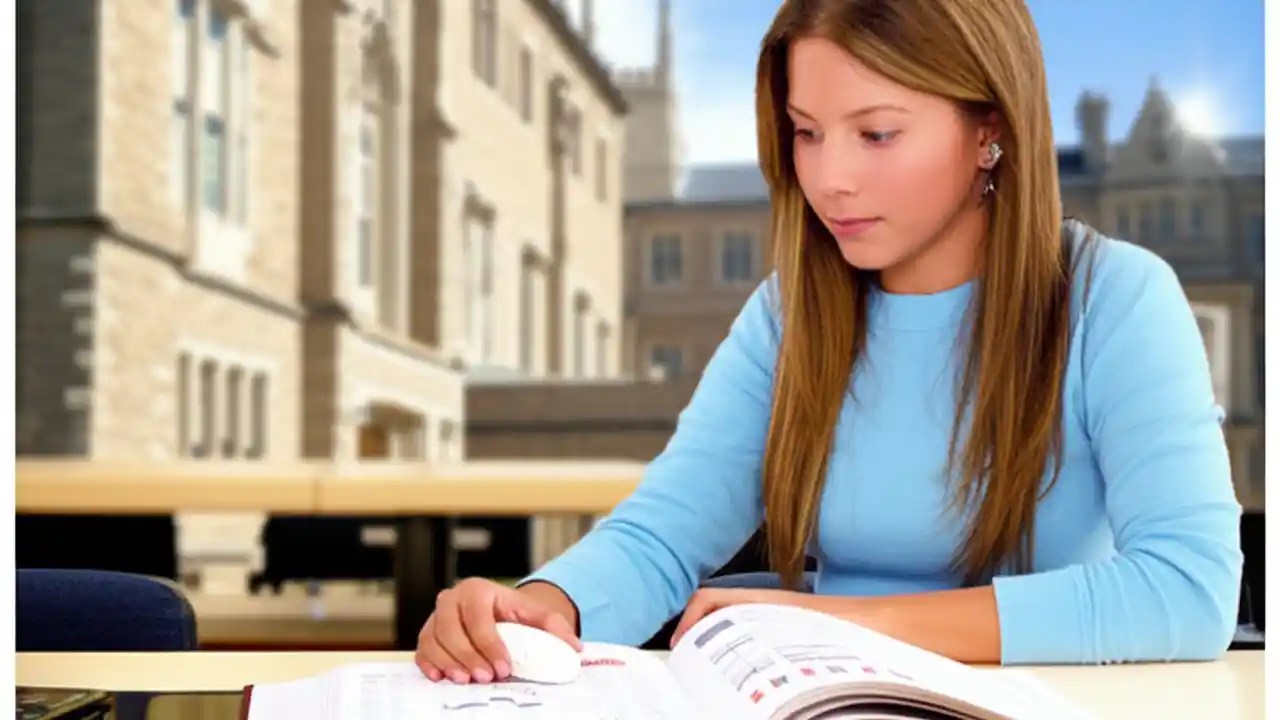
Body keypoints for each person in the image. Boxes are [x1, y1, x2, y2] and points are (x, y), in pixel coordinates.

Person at [416, 0, 1242, 684]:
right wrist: (545, 603)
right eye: (806, 132)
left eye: (876, 133)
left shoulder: (1117, 298)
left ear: (990, 128)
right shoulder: (789, 315)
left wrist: (840, 627)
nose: (830, 178)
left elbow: (1187, 588)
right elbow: (661, 536)